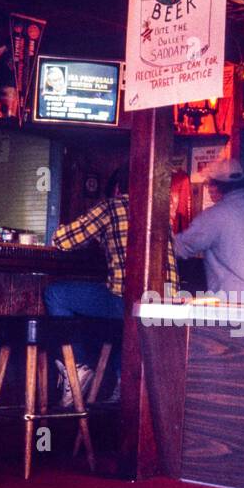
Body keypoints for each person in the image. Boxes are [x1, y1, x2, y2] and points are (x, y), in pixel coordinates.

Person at [45, 172, 178, 404]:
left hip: (129, 304)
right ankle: (121, 384)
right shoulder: (160, 212)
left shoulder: (111, 206)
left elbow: (64, 241)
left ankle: (76, 366)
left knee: (56, 293)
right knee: (125, 325)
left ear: (117, 188)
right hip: (167, 307)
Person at [174, 158, 244, 303]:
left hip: (239, 306)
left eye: (210, 184)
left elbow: (179, 247)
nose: (208, 188)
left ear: (219, 186)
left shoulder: (215, 215)